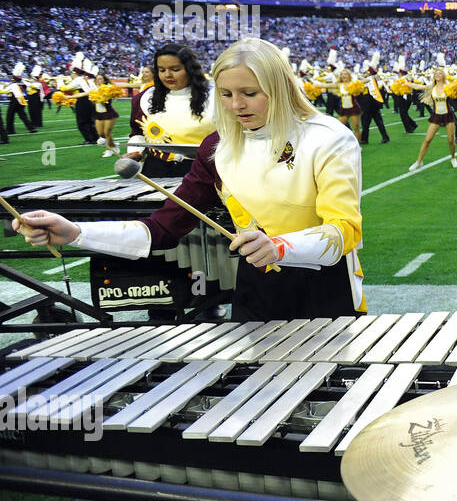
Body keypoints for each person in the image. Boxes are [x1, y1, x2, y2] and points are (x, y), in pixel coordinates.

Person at [14, 38, 365, 322]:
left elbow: (345, 230)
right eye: (226, 94)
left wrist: (279, 247)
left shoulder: (328, 138)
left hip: (325, 289)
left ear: (282, 87)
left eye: (250, 93)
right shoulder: (217, 147)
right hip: (256, 291)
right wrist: (76, 232)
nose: (236, 106)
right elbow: (162, 228)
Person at [129, 43, 214, 178]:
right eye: (161, 70)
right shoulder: (144, 98)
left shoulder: (217, 97)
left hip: (202, 171)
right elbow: (138, 131)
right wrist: (135, 152)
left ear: (190, 69)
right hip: (156, 169)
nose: (167, 75)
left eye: (175, 69)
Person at [407, 67, 457, 170]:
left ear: (443, 75)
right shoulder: (432, 87)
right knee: (427, 140)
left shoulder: (447, 86)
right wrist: (406, 84)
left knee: (450, 140)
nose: (438, 74)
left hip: (448, 115)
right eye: (436, 73)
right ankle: (419, 161)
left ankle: (453, 158)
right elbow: (418, 87)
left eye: (440, 73)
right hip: (436, 116)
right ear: (434, 76)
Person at [90, 72, 120, 156]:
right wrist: (70, 97)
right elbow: (86, 94)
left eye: (100, 79)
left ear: (104, 80)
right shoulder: (94, 89)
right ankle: (114, 145)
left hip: (108, 113)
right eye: (97, 79)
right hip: (98, 114)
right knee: (100, 134)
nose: (98, 80)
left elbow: (115, 90)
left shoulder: (109, 88)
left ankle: (109, 149)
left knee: (107, 132)